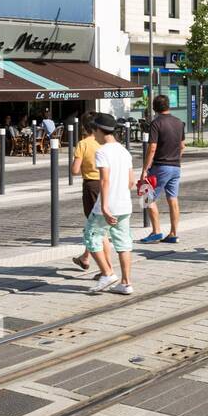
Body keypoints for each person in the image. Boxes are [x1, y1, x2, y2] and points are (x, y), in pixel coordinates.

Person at [82, 113, 137, 295]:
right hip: (124, 205)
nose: (93, 135)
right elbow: (131, 181)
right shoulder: (124, 151)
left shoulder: (102, 152)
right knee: (123, 242)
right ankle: (126, 283)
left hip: (108, 204)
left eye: (94, 131)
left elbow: (104, 181)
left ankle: (107, 273)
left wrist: (105, 207)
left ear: (98, 130)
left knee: (91, 235)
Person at [69, 113, 113, 276]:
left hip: (91, 185)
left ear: (84, 128)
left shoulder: (83, 144)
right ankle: (86, 258)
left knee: (98, 229)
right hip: (108, 183)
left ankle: (107, 270)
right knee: (96, 226)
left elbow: (74, 170)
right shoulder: (106, 142)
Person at [139, 94, 186, 245]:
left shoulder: (156, 123)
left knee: (147, 197)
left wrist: (145, 169)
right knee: (173, 199)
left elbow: (152, 147)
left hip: (160, 166)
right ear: (169, 106)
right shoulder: (179, 122)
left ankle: (156, 232)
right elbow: (182, 145)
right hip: (175, 167)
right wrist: (175, 159)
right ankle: (173, 233)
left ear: (154, 108)